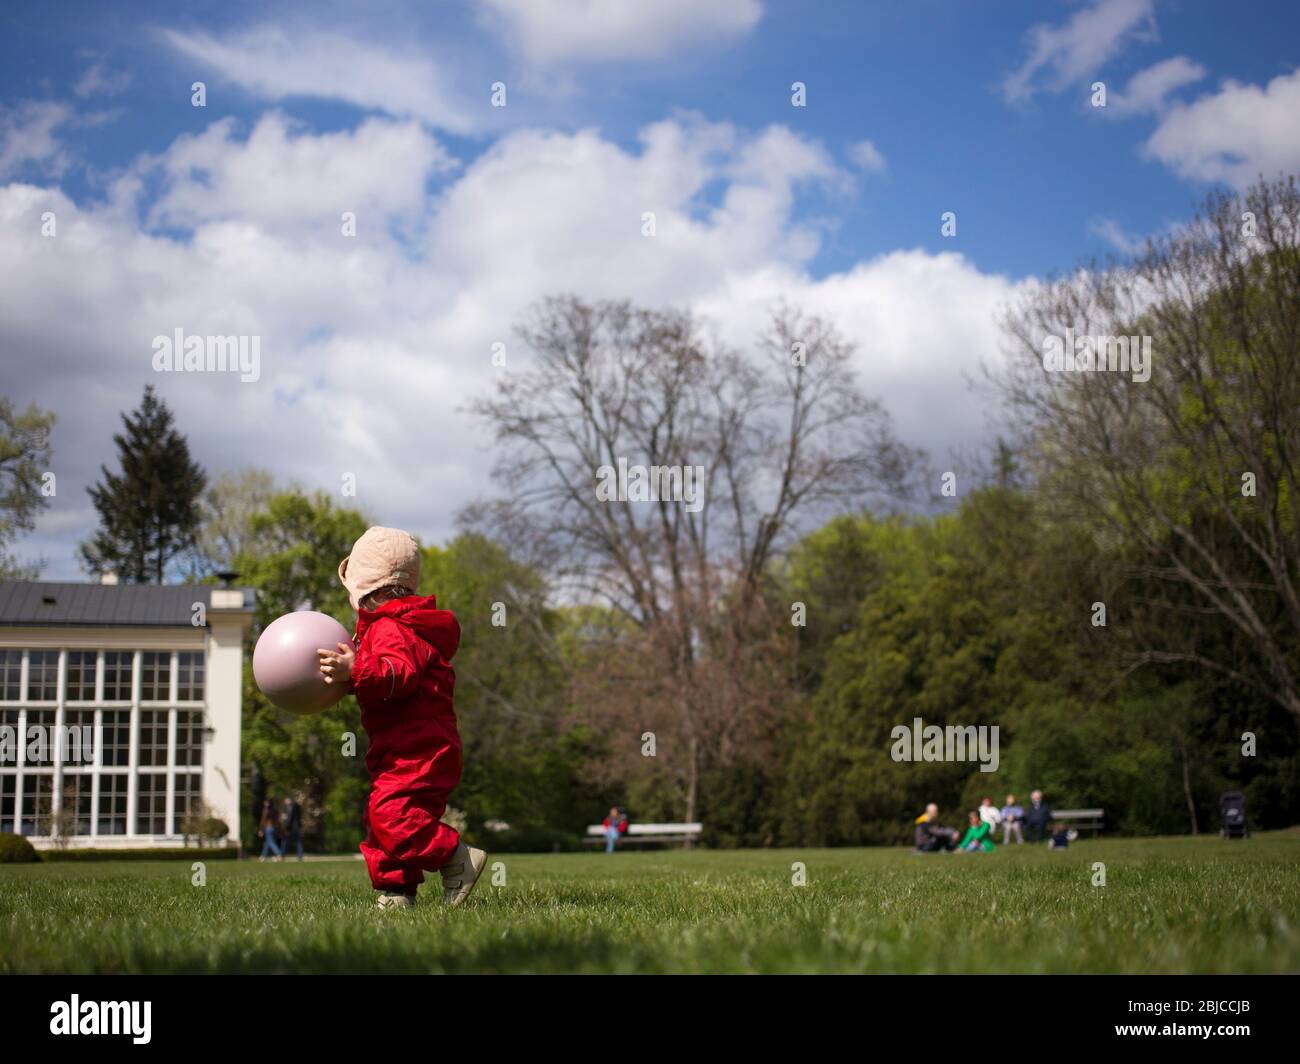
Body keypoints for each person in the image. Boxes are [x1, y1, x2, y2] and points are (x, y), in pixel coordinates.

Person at [318, 526, 487, 909]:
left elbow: (398, 673)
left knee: (390, 814)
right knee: (384, 818)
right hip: (406, 746)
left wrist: (356, 669)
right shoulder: (398, 626)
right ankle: (397, 893)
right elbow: (385, 680)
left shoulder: (391, 627)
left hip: (418, 748)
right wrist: (350, 677)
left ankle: (455, 857)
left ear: (365, 591)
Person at [281, 796, 304, 861]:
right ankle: (300, 856)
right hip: (297, 827)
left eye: (285, 801)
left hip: (291, 827)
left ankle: (282, 855)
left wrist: (287, 827)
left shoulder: (290, 807)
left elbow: (290, 818)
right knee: (298, 841)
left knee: (285, 841)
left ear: (288, 800)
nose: (285, 803)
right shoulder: (297, 806)